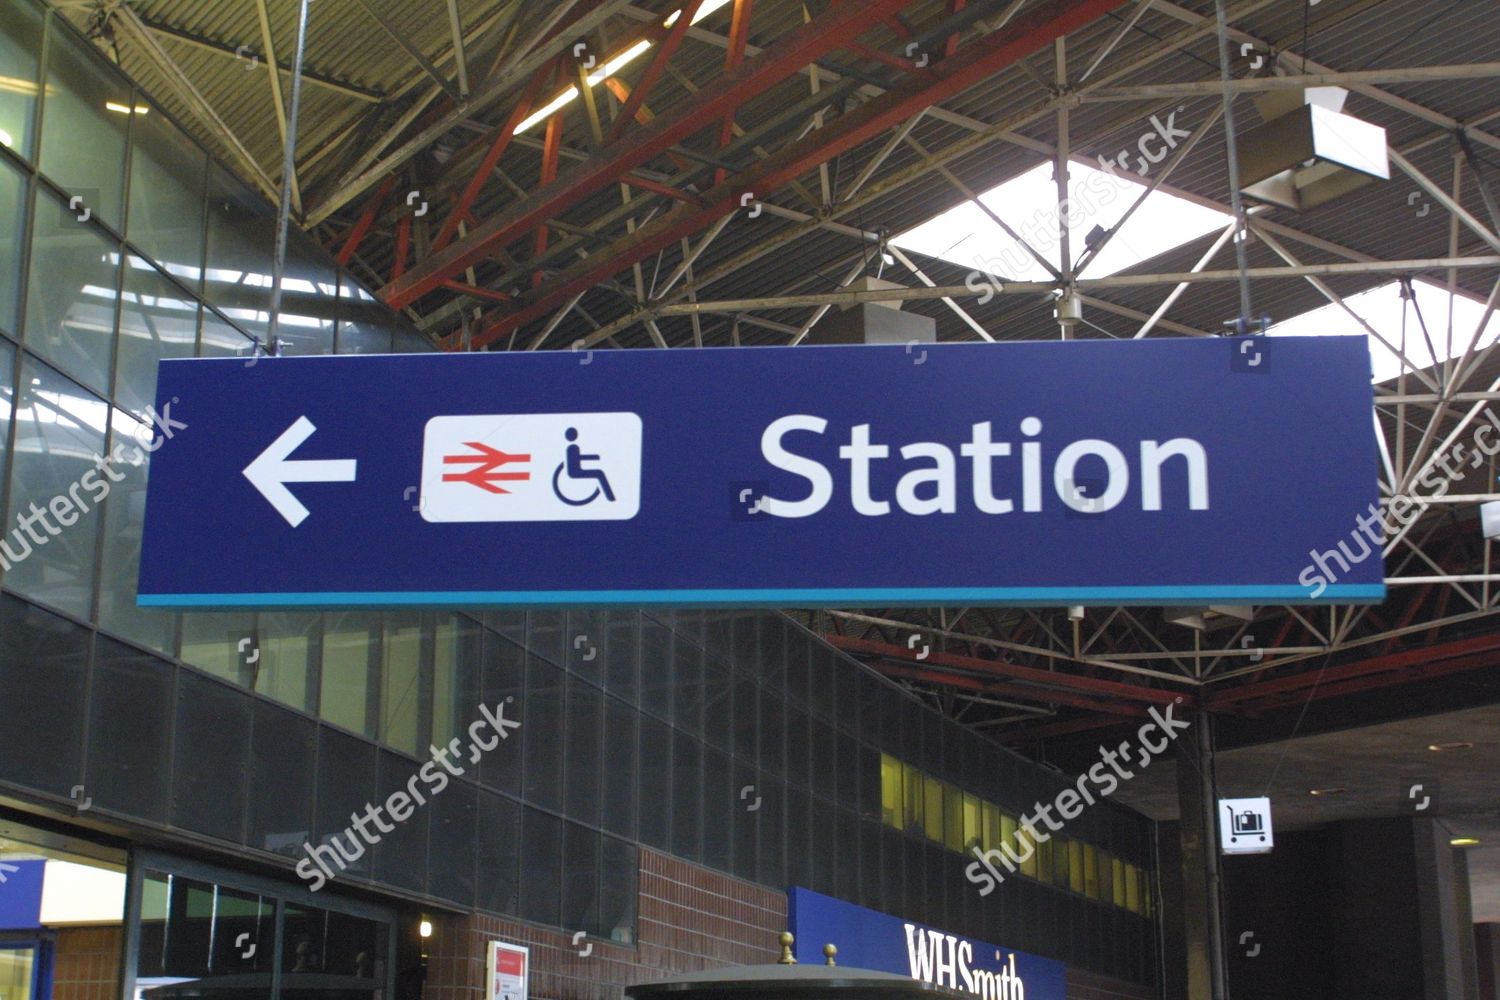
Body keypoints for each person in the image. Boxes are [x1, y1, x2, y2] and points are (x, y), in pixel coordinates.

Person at [562, 428, 616, 502]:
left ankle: (610, 497)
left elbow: (578, 458)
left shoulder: (572, 447)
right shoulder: (573, 448)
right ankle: (610, 497)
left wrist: (593, 457)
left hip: (576, 470)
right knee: (599, 473)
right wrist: (593, 457)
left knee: (599, 473)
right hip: (575, 472)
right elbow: (576, 458)